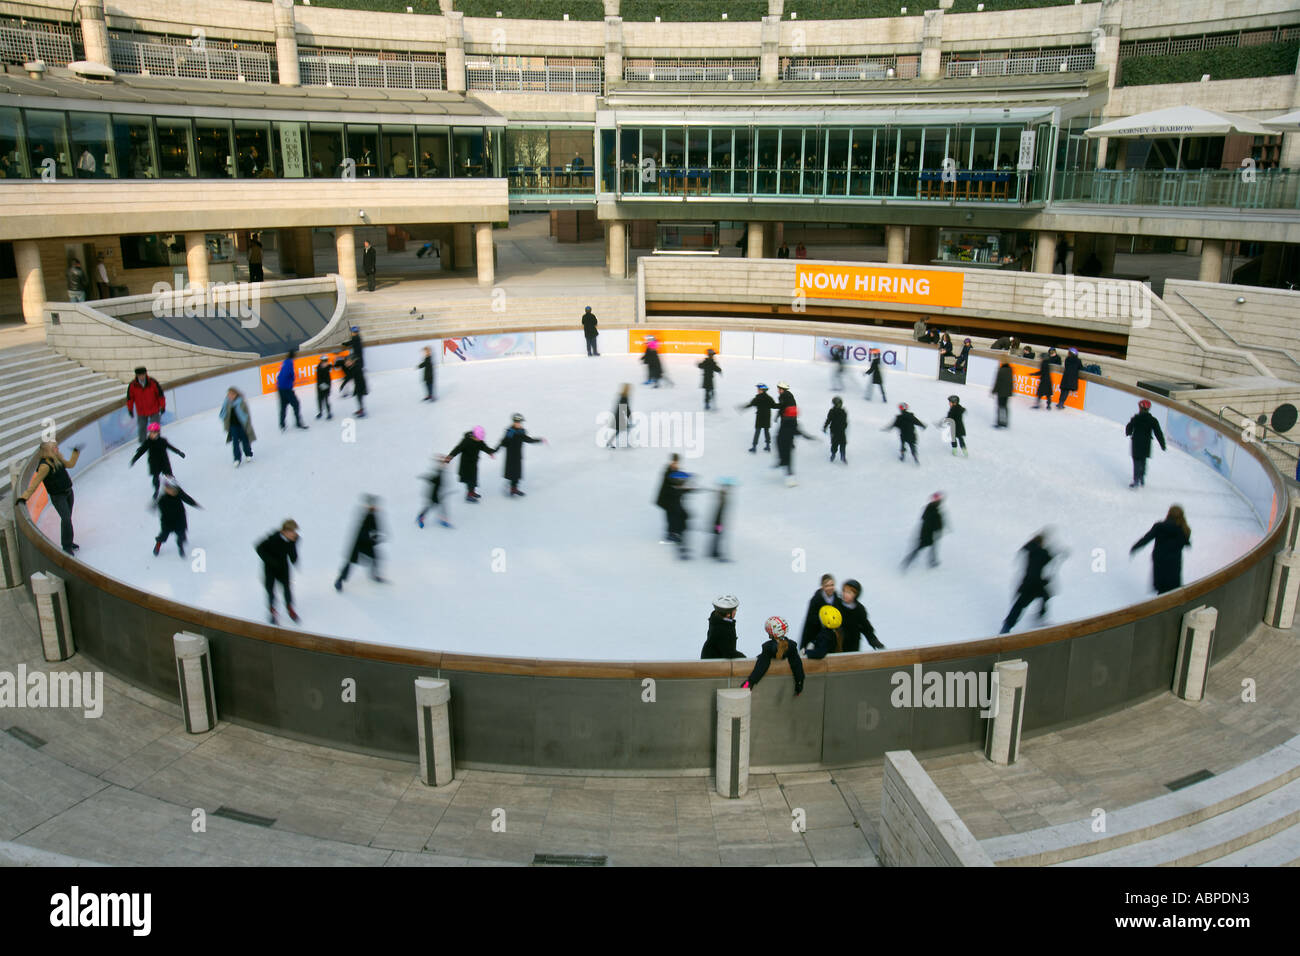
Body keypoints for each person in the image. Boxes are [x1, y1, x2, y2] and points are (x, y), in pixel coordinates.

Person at [15, 441, 82, 555]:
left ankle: (69, 542)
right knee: (66, 519)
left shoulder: (57, 458)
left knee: (67, 519)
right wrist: (24, 497)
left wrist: (75, 453)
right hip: (58, 496)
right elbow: (35, 483)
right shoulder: (45, 466)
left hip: (68, 492)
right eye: (55, 447)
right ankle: (66, 546)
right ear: (48, 450)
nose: (57, 448)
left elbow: (70, 464)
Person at [999, 532, 1058, 634]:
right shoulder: (1039, 552)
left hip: (1029, 583)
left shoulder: (1030, 549)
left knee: (1022, 604)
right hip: (1034, 584)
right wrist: (1056, 554)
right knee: (1041, 597)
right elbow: (1045, 558)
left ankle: (1007, 626)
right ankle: (1037, 620)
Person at [1131, 505, 1191, 594]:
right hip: (1174, 564)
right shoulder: (1183, 530)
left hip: (1160, 562)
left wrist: (1135, 547)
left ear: (1168, 514)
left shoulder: (1159, 527)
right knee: (1174, 589)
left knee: (1162, 589)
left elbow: (1146, 538)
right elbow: (1186, 543)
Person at [741, 616, 805, 695]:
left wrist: (750, 682)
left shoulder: (768, 647)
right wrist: (799, 683)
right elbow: (797, 665)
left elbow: (762, 665)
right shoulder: (792, 646)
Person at [335, 496, 386, 590]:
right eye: (372, 506)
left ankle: (374, 575)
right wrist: (374, 539)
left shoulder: (373, 515)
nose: (375, 507)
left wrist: (378, 536)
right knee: (350, 562)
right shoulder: (366, 515)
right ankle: (339, 580)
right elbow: (363, 532)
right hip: (359, 544)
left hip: (367, 543)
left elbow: (376, 529)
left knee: (375, 558)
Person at [256, 520, 300, 624]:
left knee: (287, 589)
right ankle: (272, 611)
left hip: (283, 569)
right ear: (285, 531)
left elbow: (293, 559)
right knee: (270, 590)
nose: (294, 534)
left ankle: (290, 609)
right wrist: (270, 561)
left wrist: (293, 544)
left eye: (295, 531)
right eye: (292, 531)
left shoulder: (291, 541)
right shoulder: (273, 538)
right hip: (270, 569)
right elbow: (259, 548)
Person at [130, 422, 185, 499]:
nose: (152, 434)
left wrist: (179, 452)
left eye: (154, 432)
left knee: (169, 475)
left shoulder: (162, 441)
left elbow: (170, 447)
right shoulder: (148, 442)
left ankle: (174, 485)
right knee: (155, 478)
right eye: (151, 432)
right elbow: (141, 451)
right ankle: (156, 490)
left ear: (158, 432)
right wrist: (134, 459)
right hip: (154, 463)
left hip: (164, 461)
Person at [495, 414, 545, 497]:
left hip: (518, 455)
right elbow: (503, 442)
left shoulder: (521, 431)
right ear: (514, 422)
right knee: (512, 472)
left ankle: (514, 488)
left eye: (520, 422)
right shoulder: (510, 431)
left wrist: (539, 440)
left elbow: (528, 439)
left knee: (517, 472)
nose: (518, 423)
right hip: (510, 455)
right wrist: (495, 450)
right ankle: (511, 488)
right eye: (517, 422)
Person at [774, 382, 813, 485]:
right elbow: (784, 408)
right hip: (789, 423)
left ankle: (787, 471)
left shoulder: (785, 396)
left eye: (779, 389)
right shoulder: (788, 396)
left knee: (785, 447)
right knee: (783, 443)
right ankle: (784, 462)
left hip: (788, 423)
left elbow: (783, 407)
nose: (778, 390)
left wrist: (776, 410)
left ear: (782, 389)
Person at [153, 475, 199, 558]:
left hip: (179, 519)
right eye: (170, 489)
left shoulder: (178, 493)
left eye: (174, 489)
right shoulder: (163, 499)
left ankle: (180, 547)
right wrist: (154, 507)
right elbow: (156, 505)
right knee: (164, 535)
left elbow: (187, 498)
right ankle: (158, 543)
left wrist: (194, 504)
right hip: (167, 521)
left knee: (181, 534)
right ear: (166, 489)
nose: (173, 491)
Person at [445, 426, 495, 502]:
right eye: (478, 438)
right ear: (474, 436)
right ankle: (469, 495)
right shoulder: (466, 441)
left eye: (480, 439)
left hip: (473, 463)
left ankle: (472, 492)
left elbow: (484, 447)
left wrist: (490, 452)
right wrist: (450, 457)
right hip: (466, 465)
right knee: (470, 479)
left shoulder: (479, 441)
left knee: (473, 479)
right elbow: (457, 449)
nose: (479, 440)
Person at [1125, 399, 1167, 488]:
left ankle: (1136, 479)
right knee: (1143, 460)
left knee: (1136, 461)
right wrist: (1162, 445)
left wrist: (1128, 432)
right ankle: (1142, 477)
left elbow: (1129, 428)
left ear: (1140, 408)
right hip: (1146, 444)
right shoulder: (1153, 420)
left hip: (1136, 442)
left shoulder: (1136, 418)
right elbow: (1158, 433)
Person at [836, 578, 884, 652]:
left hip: (852, 645)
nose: (845, 594)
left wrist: (873, 640)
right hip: (836, 644)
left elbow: (866, 628)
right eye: (844, 591)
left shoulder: (859, 609)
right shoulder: (836, 604)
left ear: (856, 595)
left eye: (849, 592)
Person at [902, 492, 945, 570]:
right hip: (928, 535)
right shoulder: (935, 512)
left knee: (930, 548)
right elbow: (936, 525)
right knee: (924, 548)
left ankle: (932, 561)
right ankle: (908, 562)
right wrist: (939, 527)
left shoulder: (928, 508)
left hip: (925, 533)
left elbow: (924, 519)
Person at [125, 366, 167, 444]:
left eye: (143, 375)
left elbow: (160, 395)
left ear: (146, 374)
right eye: (140, 375)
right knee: (142, 428)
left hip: (154, 409)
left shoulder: (152, 382)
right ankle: (143, 444)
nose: (142, 377)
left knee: (155, 428)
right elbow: (130, 399)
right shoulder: (132, 385)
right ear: (136, 376)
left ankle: (156, 442)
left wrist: (162, 406)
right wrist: (130, 409)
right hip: (141, 411)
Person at [218, 386, 256, 466]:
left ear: (236, 394)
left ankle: (248, 453)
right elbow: (224, 414)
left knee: (245, 440)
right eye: (229, 395)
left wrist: (248, 424)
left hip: (242, 425)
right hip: (233, 427)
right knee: (235, 443)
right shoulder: (227, 403)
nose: (230, 396)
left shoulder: (241, 402)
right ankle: (237, 458)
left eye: (232, 394)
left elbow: (247, 414)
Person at [800, 574, 837, 650]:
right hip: (816, 637)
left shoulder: (837, 600)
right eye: (827, 586)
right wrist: (807, 644)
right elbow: (810, 623)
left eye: (832, 585)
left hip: (831, 638)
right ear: (822, 587)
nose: (830, 588)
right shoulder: (815, 601)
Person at [700, 595, 744, 660]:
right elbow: (729, 654)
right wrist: (745, 659)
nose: (736, 610)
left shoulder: (717, 620)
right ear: (728, 614)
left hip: (712, 658)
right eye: (734, 609)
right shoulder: (723, 629)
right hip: (712, 664)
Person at [663, 469, 694, 559]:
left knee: (682, 534)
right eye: (683, 480)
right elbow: (678, 496)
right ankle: (682, 551)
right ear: (678, 481)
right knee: (680, 534)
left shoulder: (677, 488)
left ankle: (683, 549)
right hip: (677, 518)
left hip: (680, 517)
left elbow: (684, 491)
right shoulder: (674, 490)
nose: (685, 482)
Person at [276, 349, 308, 431]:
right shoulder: (290, 362)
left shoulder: (285, 362)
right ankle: (298, 423)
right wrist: (293, 377)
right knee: (296, 404)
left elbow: (280, 374)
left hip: (280, 388)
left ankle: (282, 424)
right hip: (286, 388)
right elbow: (288, 374)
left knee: (283, 406)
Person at [740, 383, 777, 453]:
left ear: (762, 390)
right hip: (767, 417)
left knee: (757, 431)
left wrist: (743, 407)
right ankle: (768, 446)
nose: (758, 390)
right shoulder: (769, 398)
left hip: (760, 417)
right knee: (766, 431)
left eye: (759, 389)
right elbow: (774, 406)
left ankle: (754, 447)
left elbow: (751, 404)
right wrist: (782, 405)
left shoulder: (757, 398)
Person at [418, 460, 453, 529]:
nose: (445, 466)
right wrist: (425, 477)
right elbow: (432, 479)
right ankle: (421, 517)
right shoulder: (438, 474)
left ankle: (442, 519)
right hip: (434, 495)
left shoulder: (441, 473)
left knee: (439, 507)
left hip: (438, 494)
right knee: (432, 506)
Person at [654, 453, 681, 539]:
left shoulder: (674, 470)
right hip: (667, 499)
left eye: (676, 462)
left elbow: (677, 481)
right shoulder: (668, 471)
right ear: (671, 461)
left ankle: (673, 533)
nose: (675, 463)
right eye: (674, 461)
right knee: (671, 516)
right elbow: (672, 481)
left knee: (674, 515)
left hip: (672, 498)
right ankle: (670, 534)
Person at [710, 478, 734, 561]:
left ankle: (714, 552)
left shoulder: (722, 496)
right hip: (718, 522)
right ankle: (715, 552)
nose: (729, 489)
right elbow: (720, 510)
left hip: (719, 522)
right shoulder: (722, 496)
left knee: (718, 536)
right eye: (727, 487)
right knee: (718, 536)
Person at [823, 396, 848, 464]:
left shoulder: (843, 411)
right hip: (834, 431)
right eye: (838, 404)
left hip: (841, 431)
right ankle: (833, 454)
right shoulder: (832, 411)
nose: (839, 405)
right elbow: (828, 420)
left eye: (840, 403)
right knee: (834, 444)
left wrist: (845, 426)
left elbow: (845, 421)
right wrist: (825, 427)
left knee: (843, 443)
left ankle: (843, 456)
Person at [609, 383, 633, 449]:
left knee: (622, 430)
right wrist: (629, 415)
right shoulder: (624, 397)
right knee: (621, 430)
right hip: (620, 417)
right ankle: (610, 442)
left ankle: (626, 443)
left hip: (620, 416)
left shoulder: (622, 396)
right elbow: (626, 407)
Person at [345, 353, 368, 418]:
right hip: (358, 385)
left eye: (348, 362)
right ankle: (361, 409)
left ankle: (362, 411)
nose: (347, 363)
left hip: (361, 385)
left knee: (359, 398)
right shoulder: (354, 366)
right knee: (358, 398)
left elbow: (350, 376)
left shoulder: (356, 367)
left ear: (352, 361)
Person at [993, 359, 1013, 429]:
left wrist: (993, 391)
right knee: (1005, 407)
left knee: (1000, 407)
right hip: (1007, 393)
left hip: (1001, 392)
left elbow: (998, 382)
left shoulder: (1001, 370)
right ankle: (1005, 422)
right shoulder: (1010, 370)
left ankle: (999, 422)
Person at [315, 354, 334, 420]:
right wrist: (321, 386)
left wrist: (328, 387)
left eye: (326, 361)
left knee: (326, 400)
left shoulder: (328, 368)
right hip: (320, 387)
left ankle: (329, 413)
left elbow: (329, 380)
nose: (325, 362)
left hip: (326, 387)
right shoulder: (318, 368)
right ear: (321, 361)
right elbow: (318, 379)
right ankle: (320, 412)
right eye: (323, 361)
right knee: (320, 400)